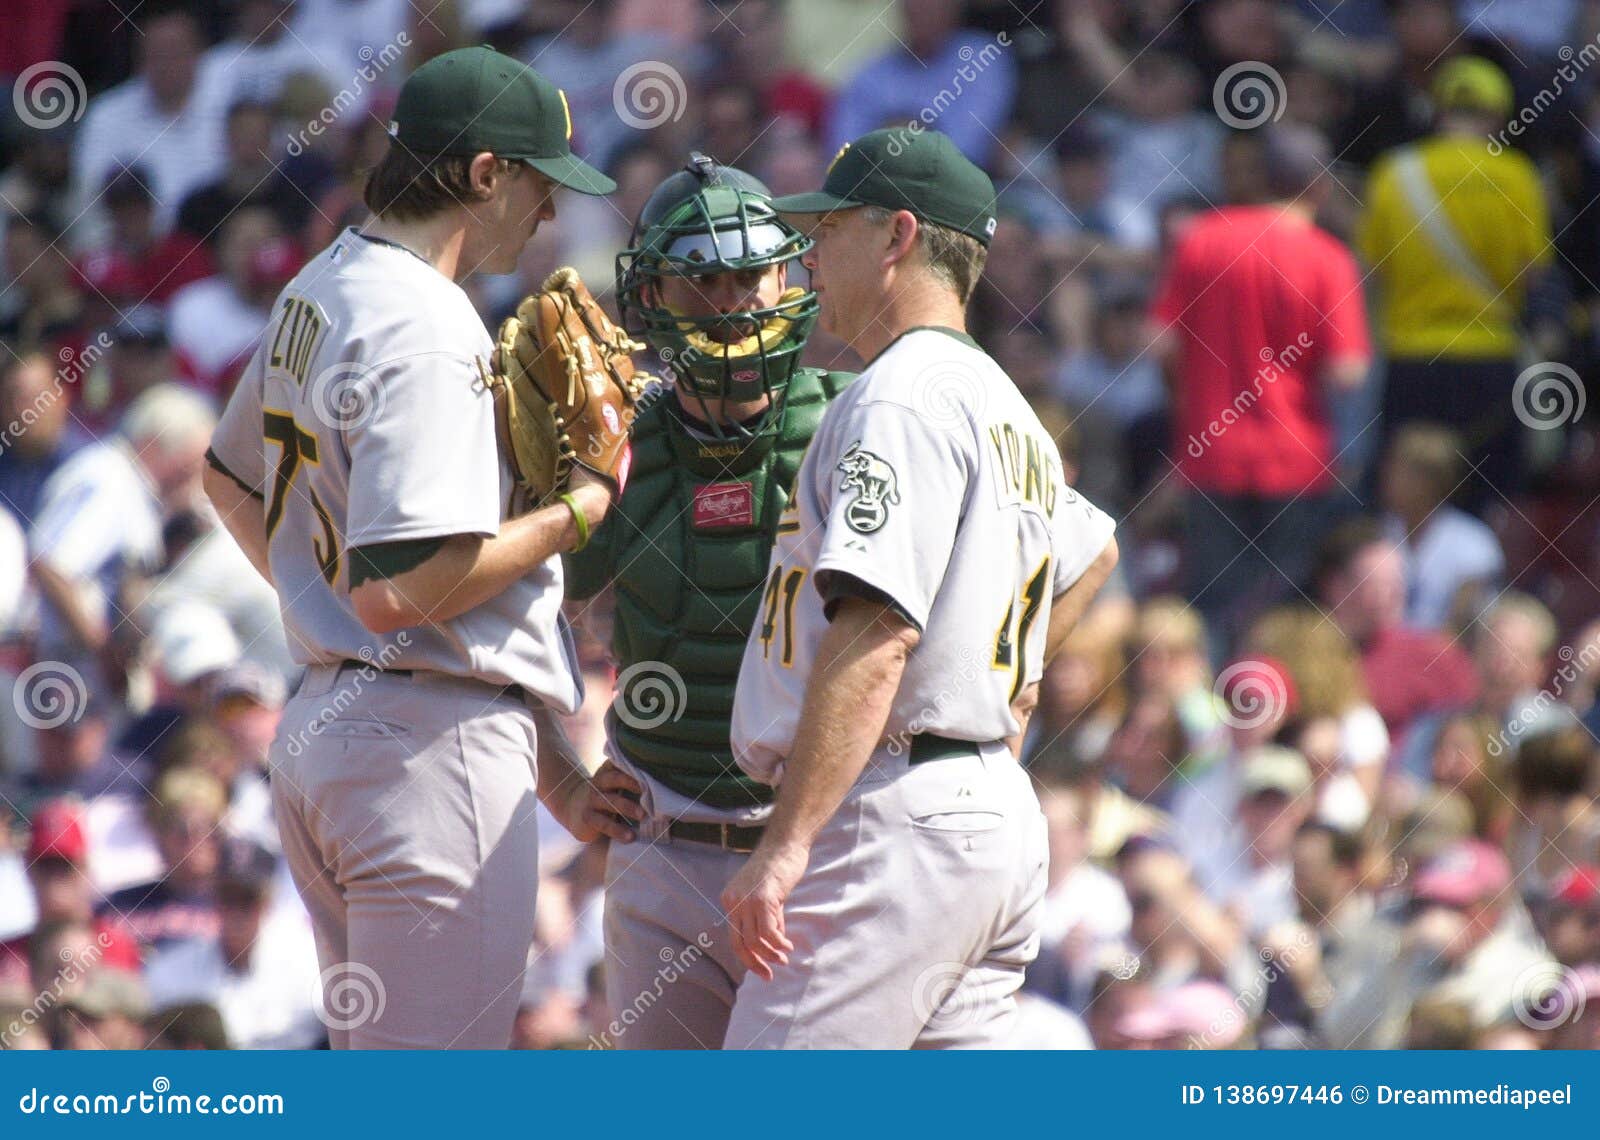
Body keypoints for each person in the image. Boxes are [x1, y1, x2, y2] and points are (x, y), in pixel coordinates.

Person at [203, 46, 627, 1049]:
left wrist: (327, 611)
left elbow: (227, 480)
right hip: (424, 763)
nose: (548, 213)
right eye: (538, 182)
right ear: (483, 174)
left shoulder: (323, 282)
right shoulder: (430, 327)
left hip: (332, 733)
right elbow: (400, 595)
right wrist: (581, 508)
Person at [719, 128, 1119, 1048]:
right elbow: (1095, 554)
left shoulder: (899, 396)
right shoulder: (1003, 401)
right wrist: (1002, 700)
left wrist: (786, 846)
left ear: (897, 235)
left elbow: (878, 631)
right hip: (987, 810)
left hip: (892, 813)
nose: (810, 253)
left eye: (829, 229)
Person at [561, 153, 853, 1049]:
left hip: (819, 849)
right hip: (662, 835)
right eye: (703, 281)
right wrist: (555, 777)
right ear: (653, 294)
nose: (731, 303)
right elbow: (503, 615)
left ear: (786, 279)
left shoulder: (859, 419)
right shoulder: (615, 441)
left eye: (748, 278)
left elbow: (1077, 546)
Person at [1150, 125, 1371, 652]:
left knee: (1213, 604)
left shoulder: (1202, 239)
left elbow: (1158, 342)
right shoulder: (1328, 257)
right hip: (1296, 457)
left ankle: (1211, 698)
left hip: (1210, 451)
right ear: (1321, 187)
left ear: (1259, 176)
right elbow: (1348, 372)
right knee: (1284, 608)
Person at [1358, 57, 1557, 506]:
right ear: (1499, 115)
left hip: (1412, 357)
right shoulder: (1516, 175)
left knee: (1409, 496)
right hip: (1488, 357)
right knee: (1486, 496)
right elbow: (1535, 273)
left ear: (1439, 110)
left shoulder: (1394, 171)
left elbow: (1373, 268)